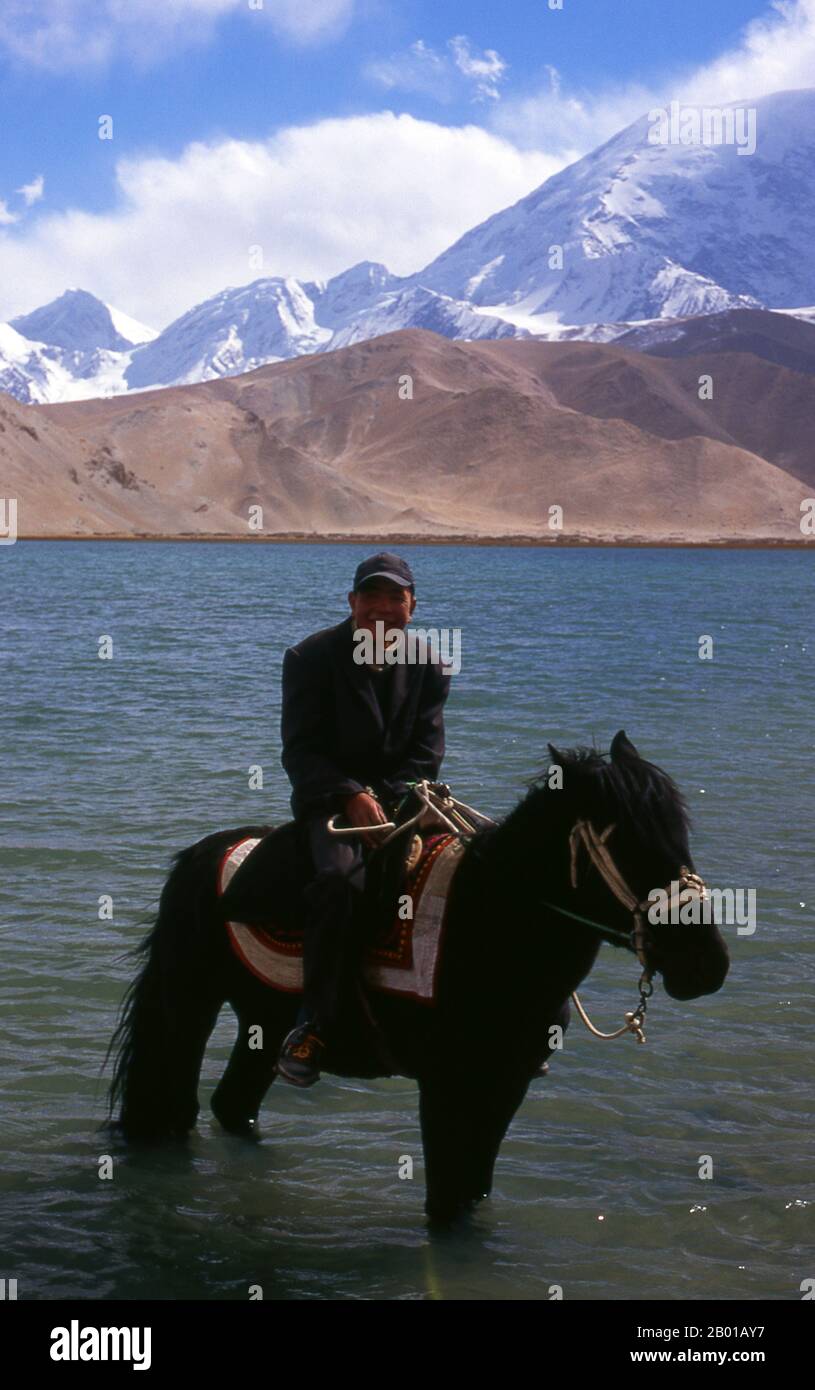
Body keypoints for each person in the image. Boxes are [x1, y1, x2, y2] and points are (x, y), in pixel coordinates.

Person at [276, 552, 452, 1085]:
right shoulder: (310, 658)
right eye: (370, 597)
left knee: (483, 862)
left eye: (393, 597)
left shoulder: (430, 665)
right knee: (337, 883)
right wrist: (351, 794)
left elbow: (427, 750)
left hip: (405, 801)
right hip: (329, 804)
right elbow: (300, 752)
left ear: (412, 606)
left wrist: (391, 802)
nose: (381, 608)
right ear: (351, 602)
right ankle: (314, 1024)